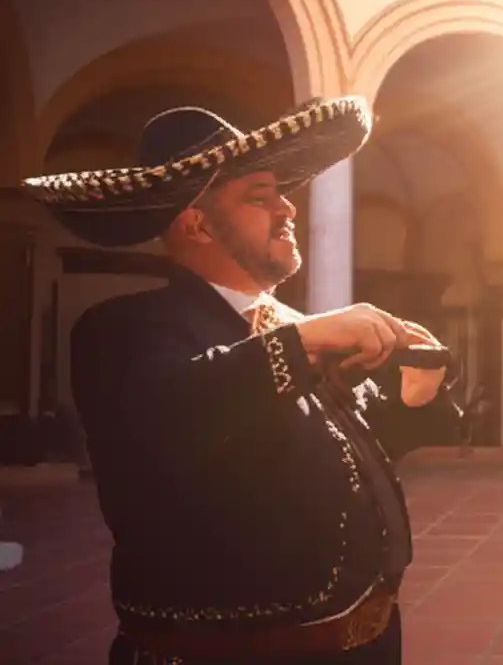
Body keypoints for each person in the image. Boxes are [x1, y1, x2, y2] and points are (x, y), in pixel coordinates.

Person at [21, 96, 462, 664]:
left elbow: (339, 458)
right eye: (260, 196)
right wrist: (307, 340)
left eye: (281, 191)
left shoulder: (295, 331)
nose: (288, 208)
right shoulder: (122, 328)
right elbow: (176, 412)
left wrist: (413, 399)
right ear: (197, 224)